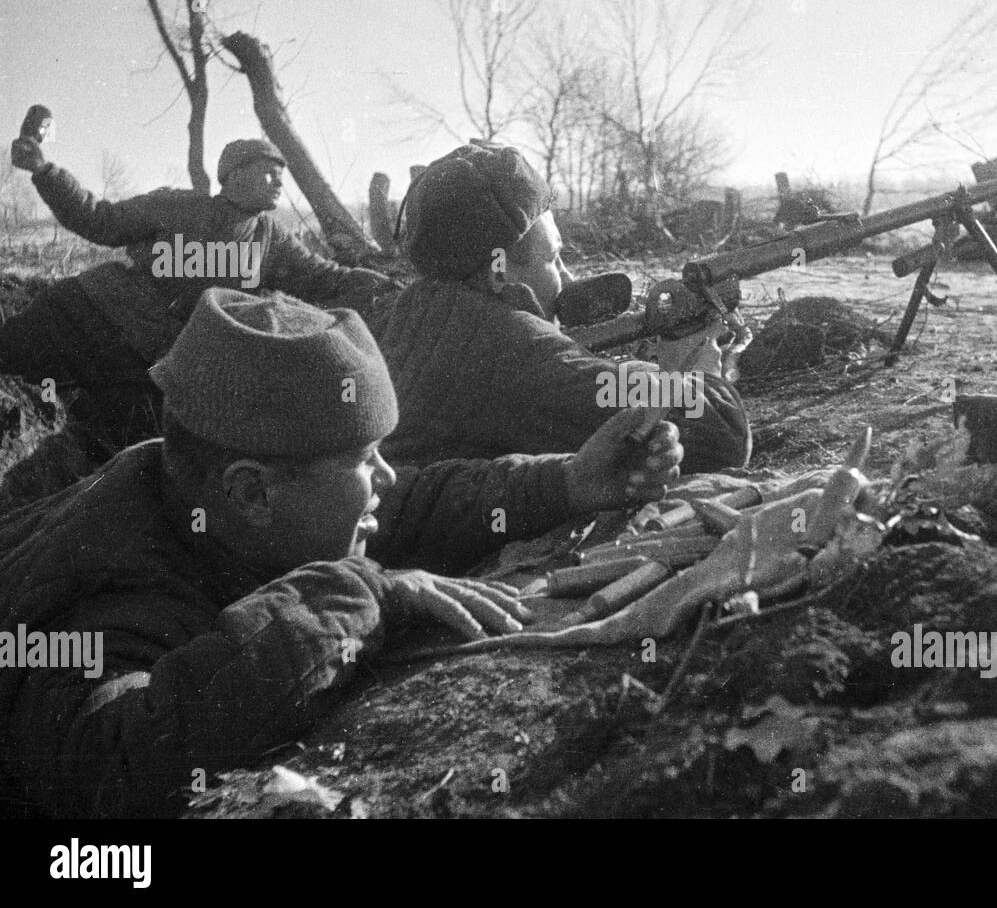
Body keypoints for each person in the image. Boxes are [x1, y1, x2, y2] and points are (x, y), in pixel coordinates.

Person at [0, 288, 682, 818]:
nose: (386, 475)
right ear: (253, 492)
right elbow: (113, 762)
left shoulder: (212, 494)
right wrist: (363, 591)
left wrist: (568, 479)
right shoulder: (112, 585)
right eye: (364, 459)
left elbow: (412, 501)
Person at [0, 136, 391, 455]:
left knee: (123, 443)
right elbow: (98, 219)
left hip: (147, 356)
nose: (279, 185)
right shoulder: (178, 206)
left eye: (281, 178)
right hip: (85, 312)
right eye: (270, 174)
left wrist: (380, 285)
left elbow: (322, 276)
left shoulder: (270, 236)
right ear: (234, 176)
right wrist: (44, 170)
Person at [379, 142, 751, 474]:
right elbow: (721, 437)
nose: (567, 276)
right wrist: (697, 371)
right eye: (554, 259)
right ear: (499, 273)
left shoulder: (415, 314)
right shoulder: (516, 351)